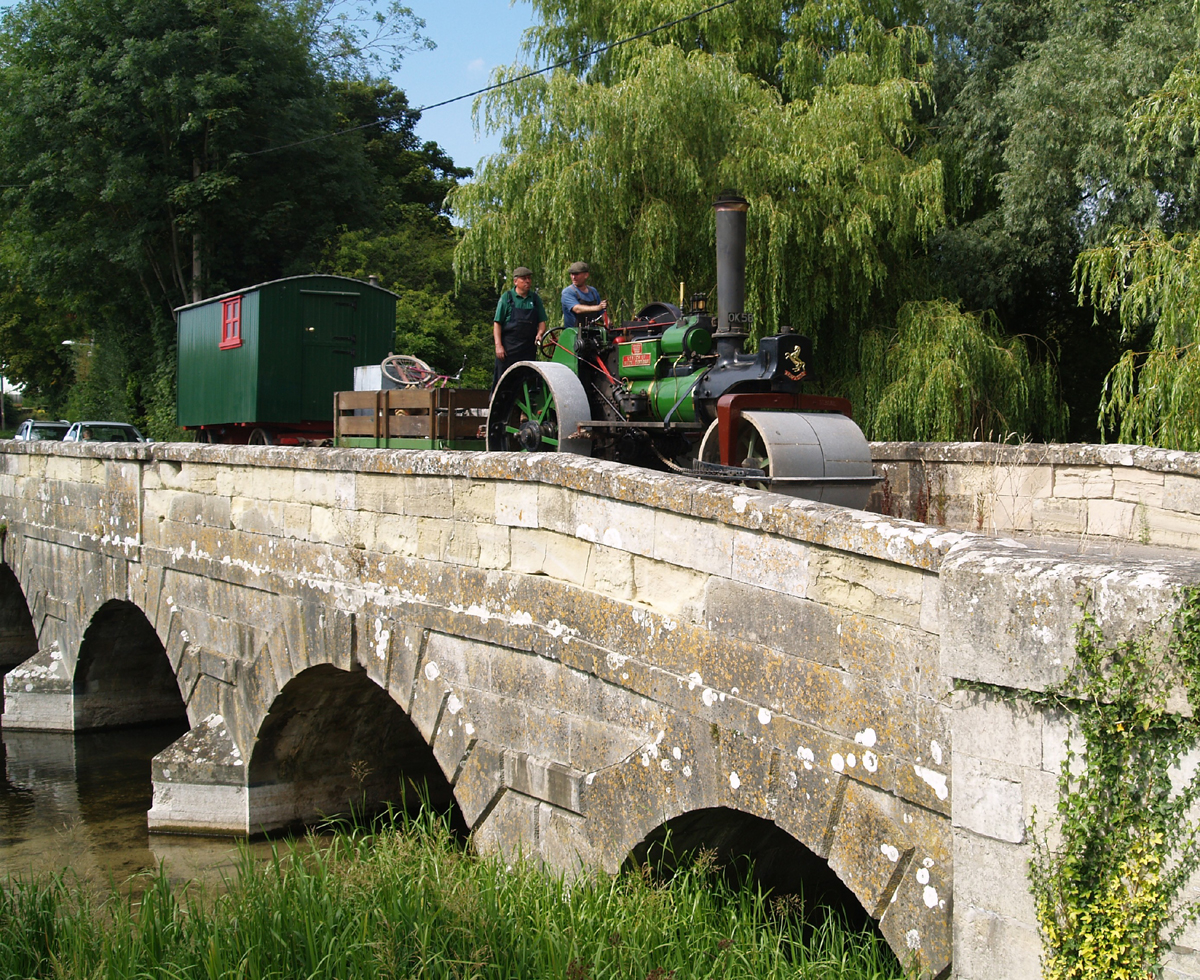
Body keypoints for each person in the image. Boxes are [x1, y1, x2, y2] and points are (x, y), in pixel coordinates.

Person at [493, 267, 547, 388]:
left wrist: (540, 333)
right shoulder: (506, 298)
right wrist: (498, 345)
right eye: (524, 279)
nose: (527, 281)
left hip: (528, 348)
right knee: (503, 380)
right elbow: (497, 323)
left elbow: (542, 322)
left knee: (526, 380)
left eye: (529, 278)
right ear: (515, 281)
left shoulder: (535, 299)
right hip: (508, 349)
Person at [560, 261, 606, 330]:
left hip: (593, 333)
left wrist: (607, 322)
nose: (573, 277)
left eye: (576, 274)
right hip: (574, 335)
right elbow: (577, 309)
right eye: (572, 274)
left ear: (586, 275)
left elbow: (601, 312)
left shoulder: (593, 291)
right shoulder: (568, 292)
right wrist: (598, 307)